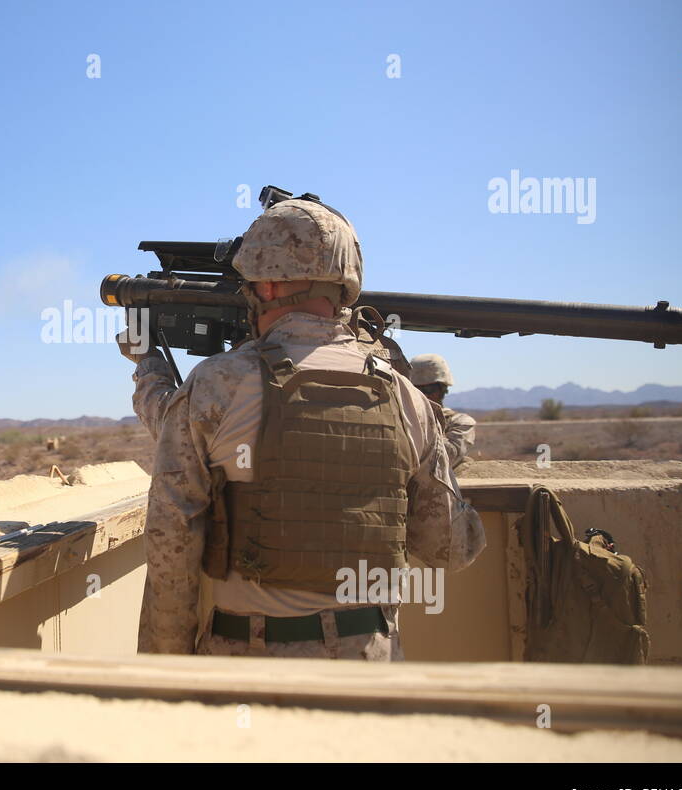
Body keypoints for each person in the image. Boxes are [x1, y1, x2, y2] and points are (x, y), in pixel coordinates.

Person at [118, 196, 485, 660]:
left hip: (250, 662)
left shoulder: (217, 385)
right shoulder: (405, 396)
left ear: (267, 287)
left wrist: (164, 673)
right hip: (370, 665)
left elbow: (171, 546)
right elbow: (451, 549)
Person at [408, 354, 477, 469]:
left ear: (443, 390)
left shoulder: (461, 423)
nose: (423, 395)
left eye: (430, 389)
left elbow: (447, 458)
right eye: (416, 390)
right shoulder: (402, 418)